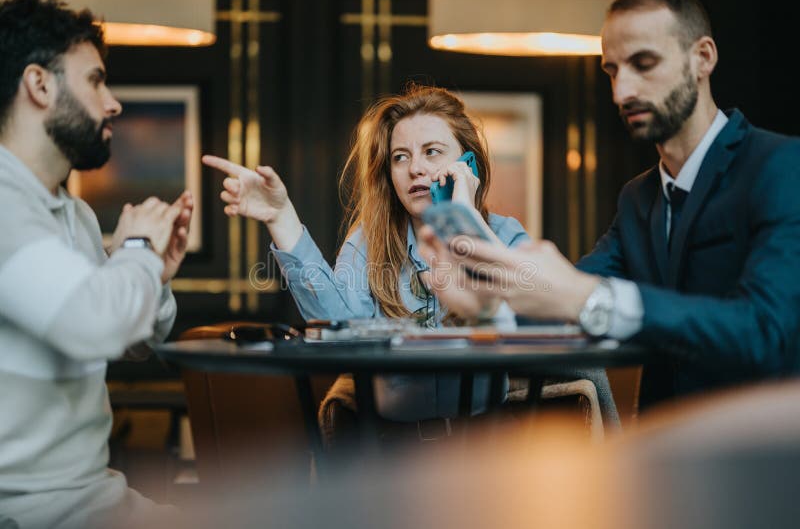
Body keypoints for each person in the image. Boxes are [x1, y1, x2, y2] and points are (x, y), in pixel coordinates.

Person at [419, 0, 800, 411]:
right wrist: (488, 307)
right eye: (612, 71)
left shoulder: (780, 166)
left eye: (644, 64)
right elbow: (559, 302)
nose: (623, 91)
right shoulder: (638, 198)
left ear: (702, 58)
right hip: (661, 451)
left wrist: (589, 298)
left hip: (768, 453)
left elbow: (767, 333)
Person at [203, 85, 617, 425]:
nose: (415, 168)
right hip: (392, 441)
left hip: (490, 438)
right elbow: (339, 328)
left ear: (467, 163)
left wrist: (463, 219)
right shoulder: (369, 242)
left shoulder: (504, 235)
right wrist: (282, 217)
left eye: (432, 152)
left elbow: (528, 324)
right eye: (401, 157)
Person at [0, 0, 192, 527]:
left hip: (91, 494)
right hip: (28, 508)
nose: (113, 104)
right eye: (96, 81)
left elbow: (132, 342)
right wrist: (134, 253)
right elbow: (93, 325)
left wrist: (156, 272)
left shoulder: (75, 213)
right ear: (39, 85)